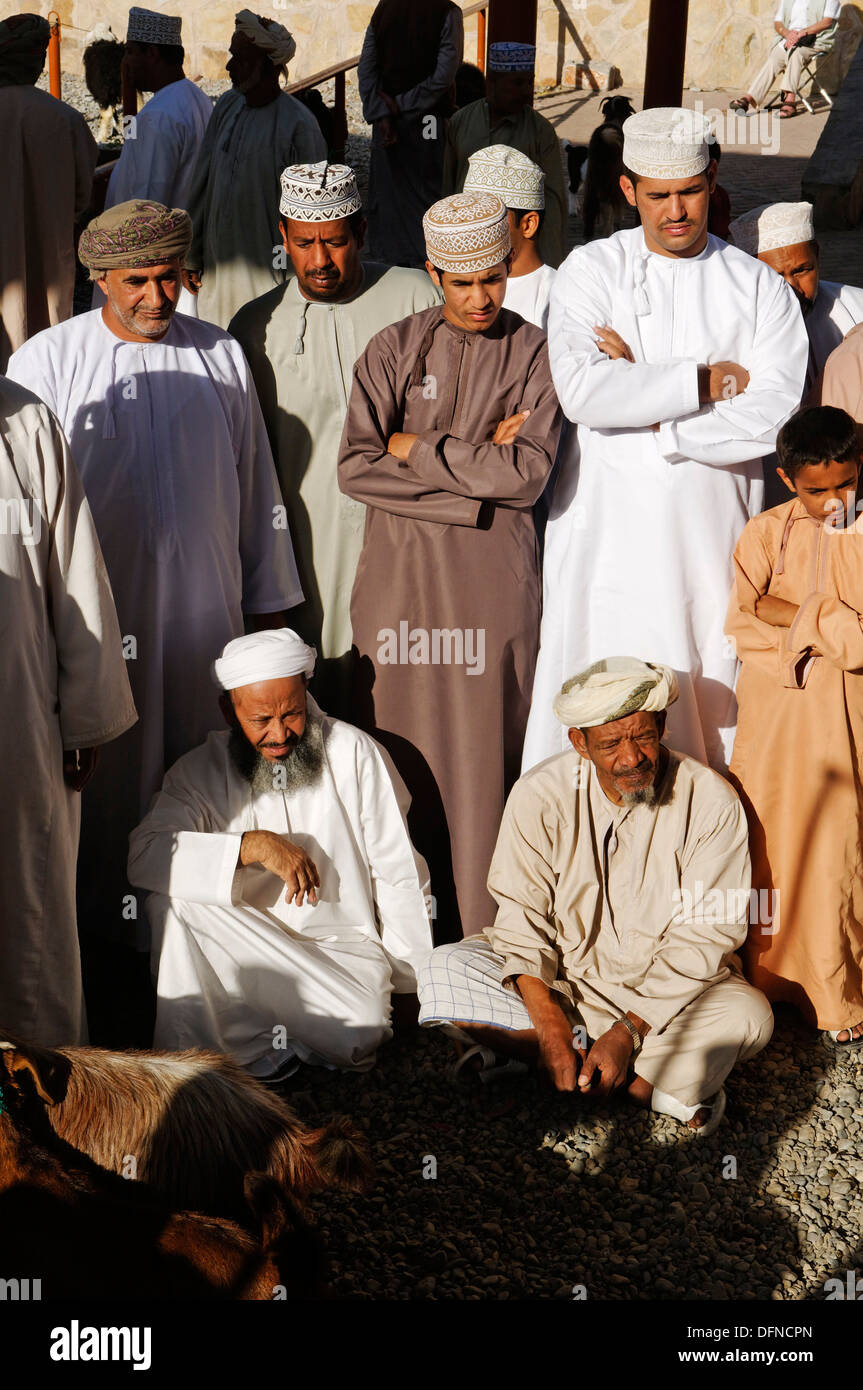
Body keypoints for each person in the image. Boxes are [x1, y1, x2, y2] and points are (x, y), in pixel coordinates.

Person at [6, 200, 303, 991]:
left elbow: (254, 486)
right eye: (135, 280)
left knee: (199, 769)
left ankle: (196, 934)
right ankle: (99, 942)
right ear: (98, 277)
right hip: (101, 628)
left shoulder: (219, 354)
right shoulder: (47, 362)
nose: (156, 297)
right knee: (102, 786)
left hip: (208, 616)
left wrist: (267, 609)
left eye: (169, 278)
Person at [522, 107, 809, 777]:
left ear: (711, 181)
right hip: (603, 543)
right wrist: (705, 382)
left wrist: (653, 411)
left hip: (710, 537)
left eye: (689, 192)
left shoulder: (757, 288)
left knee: (706, 703)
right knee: (597, 689)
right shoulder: (589, 273)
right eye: (657, 195)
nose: (675, 210)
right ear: (627, 192)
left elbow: (773, 414)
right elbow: (585, 393)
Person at [417, 658, 774, 1134]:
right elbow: (521, 915)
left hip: (668, 1001)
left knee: (749, 1016)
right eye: (610, 744)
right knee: (443, 968)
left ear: (663, 725)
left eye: (643, 737)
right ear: (579, 743)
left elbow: (706, 937)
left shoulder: (710, 801)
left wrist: (627, 1031)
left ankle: (561, 1066)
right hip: (566, 985)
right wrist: (547, 1021)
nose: (631, 758)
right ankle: (635, 1082)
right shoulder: (539, 794)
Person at [338, 191, 562, 939]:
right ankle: (403, 946)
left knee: (482, 753)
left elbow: (526, 476)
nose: (478, 298)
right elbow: (355, 467)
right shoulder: (393, 349)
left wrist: (420, 448)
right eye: (461, 283)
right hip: (399, 585)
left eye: (492, 280)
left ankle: (491, 939)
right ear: (433, 273)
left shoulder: (535, 352)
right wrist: (474, 487)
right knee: (399, 748)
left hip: (493, 585)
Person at [128, 629, 433, 1076]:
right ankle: (191, 1071)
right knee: (171, 902)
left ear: (307, 692)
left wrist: (411, 986)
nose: (279, 734)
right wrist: (249, 847)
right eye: (260, 720)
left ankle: (264, 1047)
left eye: (292, 714)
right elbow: (145, 855)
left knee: (361, 1030)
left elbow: (398, 872)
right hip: (239, 952)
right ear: (228, 711)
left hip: (338, 954)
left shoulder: (355, 754)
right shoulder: (197, 772)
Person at [229, 162, 441, 717]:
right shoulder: (255, 327)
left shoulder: (413, 296)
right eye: (304, 244)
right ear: (283, 237)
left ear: (362, 233)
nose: (320, 261)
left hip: (400, 537)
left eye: (336, 242)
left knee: (401, 693)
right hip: (297, 553)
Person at [0, 375, 136, 1045]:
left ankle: (41, 1097)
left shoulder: (23, 424)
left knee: (26, 899)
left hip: (20, 722)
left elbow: (74, 569)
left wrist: (86, 714)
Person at [725, 406, 863, 1046]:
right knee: (774, 841)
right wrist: (826, 623)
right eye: (817, 490)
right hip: (780, 719)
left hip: (848, 719)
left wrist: (804, 613)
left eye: (846, 484)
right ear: (786, 480)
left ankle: (839, 995)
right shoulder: (763, 533)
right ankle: (772, 980)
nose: (835, 500)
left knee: (841, 847)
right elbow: (745, 618)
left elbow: (857, 644)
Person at [185, 11, 326, 329]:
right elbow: (201, 183)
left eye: (240, 59)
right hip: (218, 272)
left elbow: (313, 214)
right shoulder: (226, 106)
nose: (229, 66)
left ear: (267, 64)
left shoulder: (299, 125)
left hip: (270, 274)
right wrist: (191, 254)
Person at [0, 14, 97, 370]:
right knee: (43, 360)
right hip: (48, 266)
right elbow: (82, 199)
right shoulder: (65, 120)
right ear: (38, 59)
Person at [442, 42, 567, 268]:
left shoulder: (540, 131)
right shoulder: (461, 122)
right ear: (492, 83)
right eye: (518, 83)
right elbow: (448, 186)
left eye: (530, 82)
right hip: (468, 236)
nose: (527, 91)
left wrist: (550, 262)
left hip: (517, 247)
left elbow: (554, 200)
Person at [358, 0, 463, 267]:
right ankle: (430, 271)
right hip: (427, 120)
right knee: (428, 199)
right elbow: (443, 76)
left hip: (389, 124)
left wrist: (384, 111)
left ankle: (395, 269)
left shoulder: (385, 8)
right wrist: (398, 108)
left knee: (390, 197)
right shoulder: (446, 12)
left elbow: (366, 69)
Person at [729, 201, 863, 386]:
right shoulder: (730, 332)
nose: (792, 288)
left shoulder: (857, 308)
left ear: (817, 256)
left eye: (801, 271)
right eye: (776, 277)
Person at [103, 9, 212, 215]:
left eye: (130, 52)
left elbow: (148, 204)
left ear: (152, 54)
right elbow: (131, 135)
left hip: (155, 243)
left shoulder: (158, 116)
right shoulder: (197, 98)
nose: (126, 63)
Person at [462, 144, 555, 329]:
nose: (473, 226)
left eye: (489, 217)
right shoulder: (455, 284)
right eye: (469, 214)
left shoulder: (557, 294)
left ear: (528, 225)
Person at [729, 0, 840, 120]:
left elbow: (826, 22)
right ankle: (749, 98)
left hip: (815, 41)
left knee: (796, 54)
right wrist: (788, 34)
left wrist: (801, 34)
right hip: (789, 39)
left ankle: (790, 99)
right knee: (774, 58)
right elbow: (778, 23)